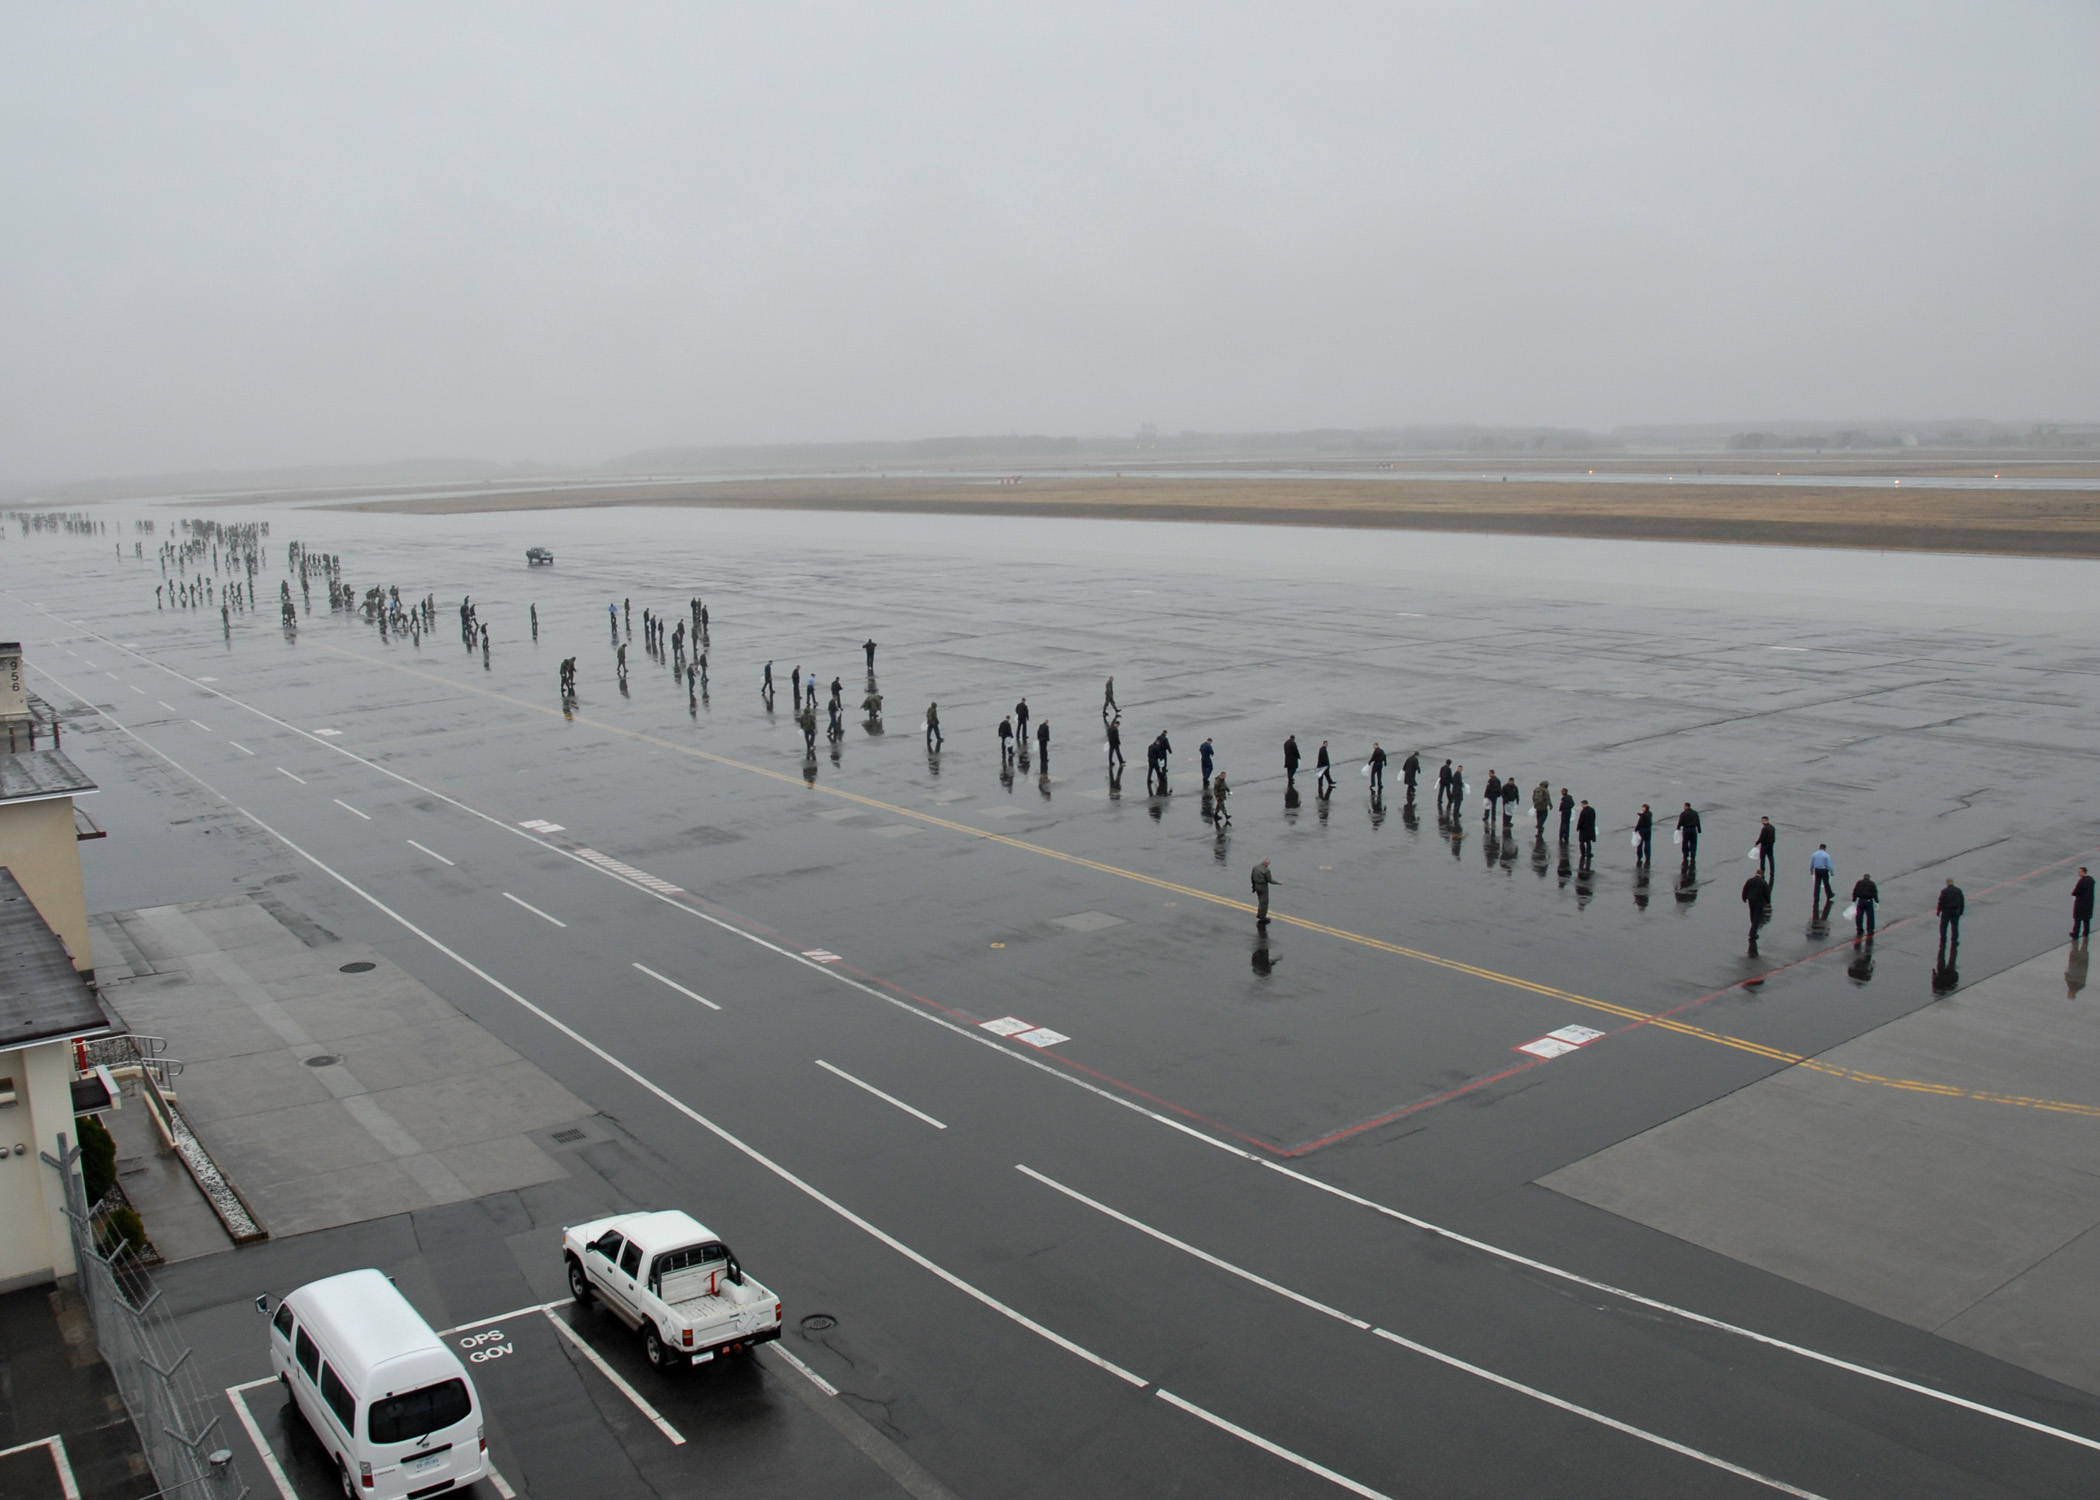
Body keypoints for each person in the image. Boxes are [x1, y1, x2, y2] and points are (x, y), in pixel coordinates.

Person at [1742, 870, 1772, 946]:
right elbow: (1767, 892)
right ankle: (1753, 933)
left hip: (1751, 900)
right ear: (1761, 875)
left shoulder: (1750, 880)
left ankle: (1753, 929)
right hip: (1759, 901)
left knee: (1752, 915)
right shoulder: (1763, 882)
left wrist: (1744, 898)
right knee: (1757, 917)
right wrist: (1768, 901)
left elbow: (1745, 889)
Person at [1938, 878, 1965, 951]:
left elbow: (1941, 902)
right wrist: (1961, 911)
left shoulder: (1944, 891)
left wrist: (1938, 911)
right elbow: (1962, 901)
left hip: (1946, 911)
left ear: (1947, 883)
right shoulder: (1958, 891)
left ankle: (1943, 940)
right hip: (1955, 910)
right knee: (1955, 926)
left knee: (1943, 926)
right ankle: (1954, 940)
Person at [1851, 872, 1879, 937]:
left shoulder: (1859, 883)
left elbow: (1855, 891)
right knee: (1870, 916)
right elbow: (1875, 893)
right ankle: (1870, 930)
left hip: (1861, 901)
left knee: (1859, 916)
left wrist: (1854, 900)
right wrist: (1877, 902)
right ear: (1869, 878)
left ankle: (1859, 928)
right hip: (1869, 901)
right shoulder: (1872, 883)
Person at [1250, 858, 1277, 924]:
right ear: (1266, 863)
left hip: (1257, 885)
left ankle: (1259, 914)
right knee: (1264, 902)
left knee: (1260, 901)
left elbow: (1252, 877)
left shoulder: (1255, 867)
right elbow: (1270, 880)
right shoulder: (1266, 870)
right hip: (1263, 887)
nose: (1268, 865)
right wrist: (1278, 883)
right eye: (1268, 863)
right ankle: (1262, 917)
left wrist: (1253, 887)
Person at [2075, 867, 2096, 942]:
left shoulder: (2082, 881)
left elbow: (2076, 892)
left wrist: (2074, 894)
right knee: (2086, 920)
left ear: (2083, 872)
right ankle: (2086, 932)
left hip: (2081, 903)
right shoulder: (2091, 881)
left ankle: (2075, 933)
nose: (2079, 873)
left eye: (2080, 872)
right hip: (2089, 904)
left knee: (2078, 919)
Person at [1756, 817, 1777, 884]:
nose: (1762, 822)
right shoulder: (1772, 827)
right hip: (1771, 845)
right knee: (1771, 858)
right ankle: (1772, 871)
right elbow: (1774, 837)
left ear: (1766, 820)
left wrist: (1757, 842)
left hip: (1764, 845)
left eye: (1763, 821)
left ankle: (1762, 871)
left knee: (1762, 858)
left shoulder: (1765, 828)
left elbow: (1762, 837)